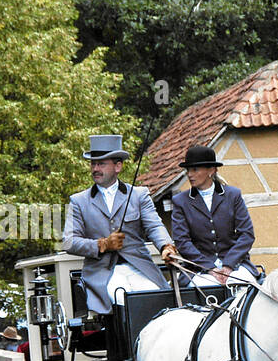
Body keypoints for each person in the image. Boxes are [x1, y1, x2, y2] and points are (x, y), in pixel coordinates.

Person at [62, 134, 171, 313]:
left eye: (101, 163)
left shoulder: (139, 195)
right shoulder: (79, 201)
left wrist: (166, 246)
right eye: (93, 164)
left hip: (139, 267)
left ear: (118, 166)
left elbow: (154, 226)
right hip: (102, 273)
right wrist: (102, 244)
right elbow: (69, 241)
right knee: (123, 300)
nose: (95, 168)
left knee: (155, 298)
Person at [162, 144, 262, 286]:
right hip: (199, 269)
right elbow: (182, 241)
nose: (190, 174)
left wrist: (228, 266)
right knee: (204, 288)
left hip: (235, 266)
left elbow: (246, 234)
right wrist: (209, 268)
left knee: (247, 288)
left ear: (211, 170)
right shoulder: (180, 202)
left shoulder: (233, 195)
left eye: (195, 169)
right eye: (188, 170)